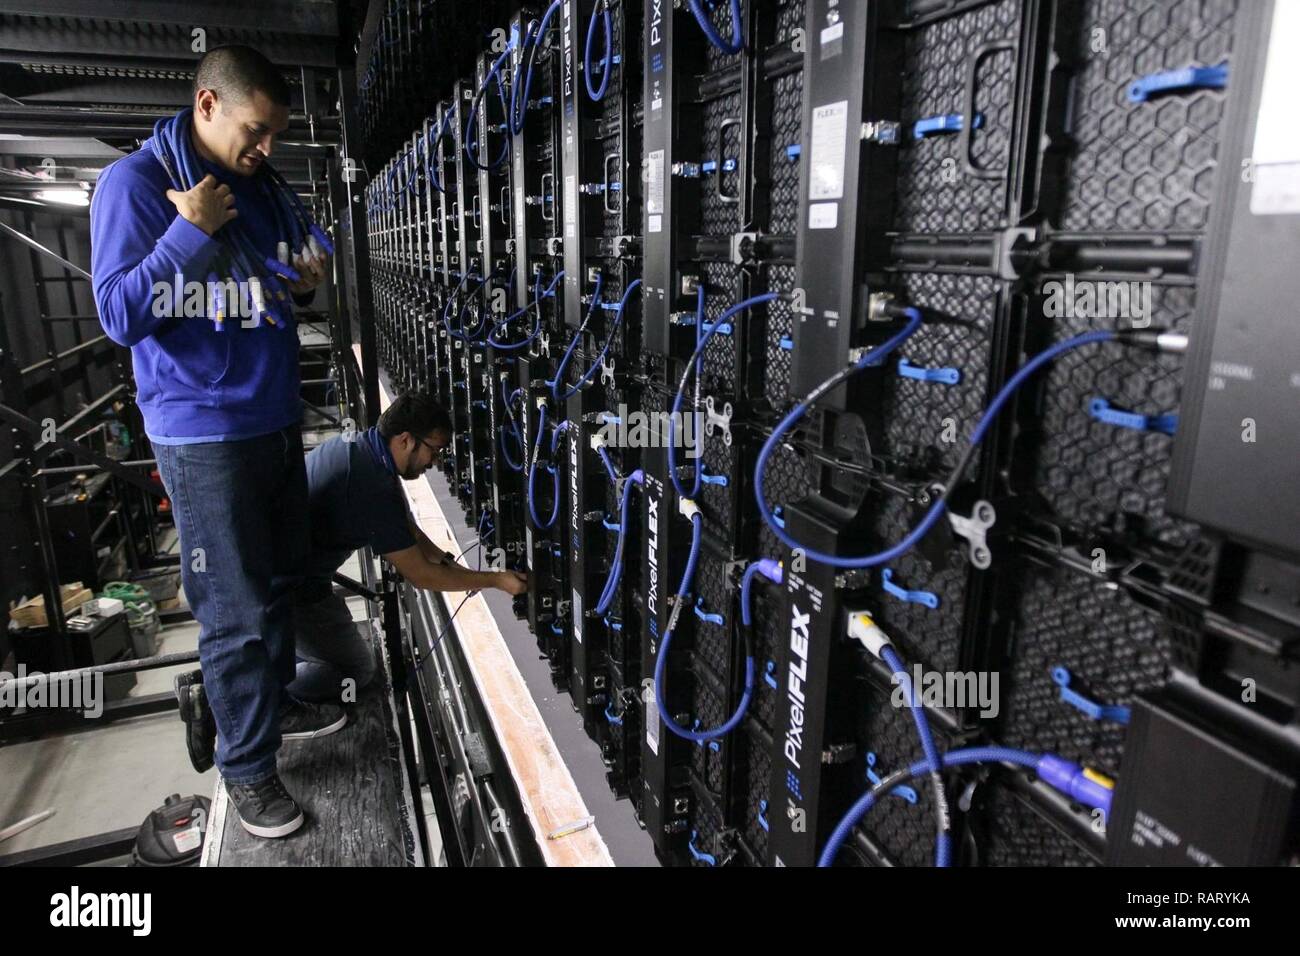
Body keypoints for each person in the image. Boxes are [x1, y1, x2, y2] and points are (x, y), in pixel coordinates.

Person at [91, 45, 334, 839]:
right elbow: (121, 313)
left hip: (268, 414)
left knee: (273, 581)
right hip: (201, 432)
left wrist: (307, 275)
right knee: (229, 606)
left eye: (274, 135)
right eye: (255, 130)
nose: (266, 148)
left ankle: (274, 706)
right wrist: (186, 234)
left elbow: (289, 262)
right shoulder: (134, 186)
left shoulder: (261, 185)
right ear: (207, 105)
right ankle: (248, 768)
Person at [287, 391, 527, 703]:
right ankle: (265, 697)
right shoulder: (371, 486)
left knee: (322, 651)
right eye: (434, 450)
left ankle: (266, 670)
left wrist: (446, 560)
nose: (435, 462)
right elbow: (421, 576)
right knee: (356, 670)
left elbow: (405, 526)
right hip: (291, 589)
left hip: (293, 575)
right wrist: (495, 580)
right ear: (406, 440)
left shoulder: (363, 449)